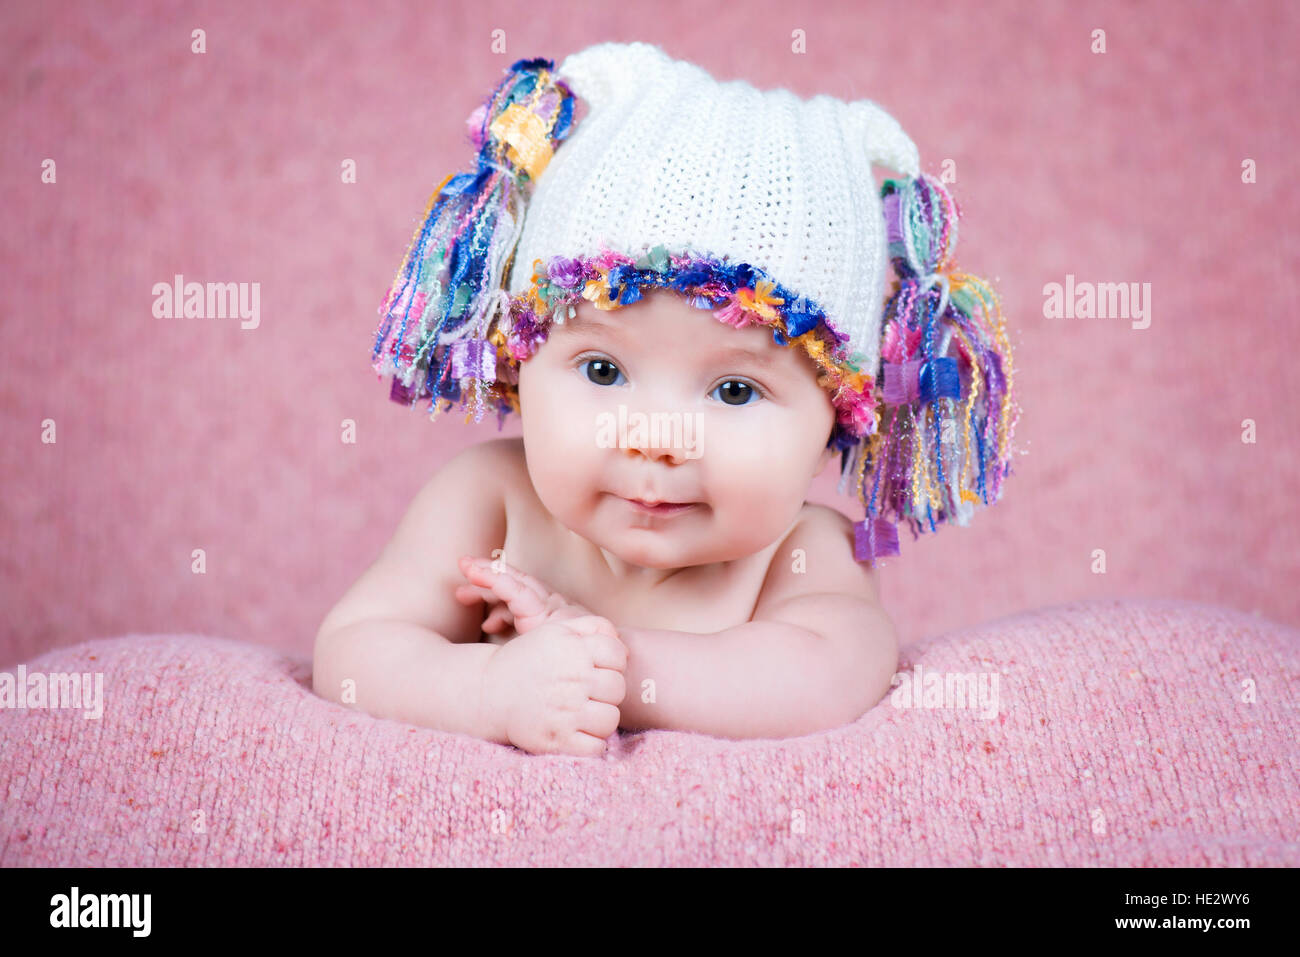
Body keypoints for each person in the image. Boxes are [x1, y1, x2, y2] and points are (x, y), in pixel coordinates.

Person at [313, 42, 1020, 757]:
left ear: (838, 415)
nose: (655, 436)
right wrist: (493, 687)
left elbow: (833, 673)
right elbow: (353, 650)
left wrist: (611, 664)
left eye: (735, 389)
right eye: (602, 370)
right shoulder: (488, 499)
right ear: (519, 359)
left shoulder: (801, 550)